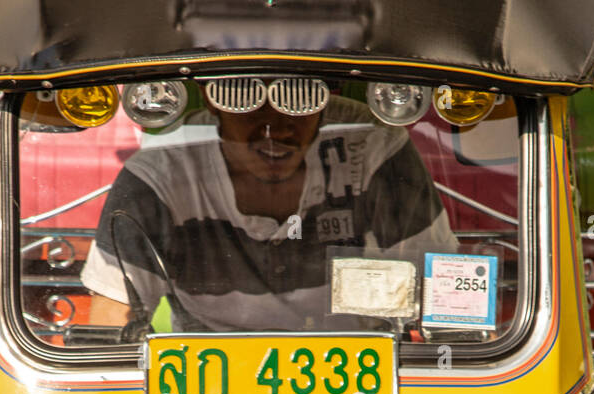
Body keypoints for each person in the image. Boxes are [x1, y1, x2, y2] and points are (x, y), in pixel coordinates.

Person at [81, 78, 457, 335]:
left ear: (324, 100)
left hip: (362, 374)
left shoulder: (376, 149)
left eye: (296, 103)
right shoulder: (159, 175)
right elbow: (114, 314)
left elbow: (441, 291)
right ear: (213, 101)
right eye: (248, 105)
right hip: (205, 383)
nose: (273, 129)